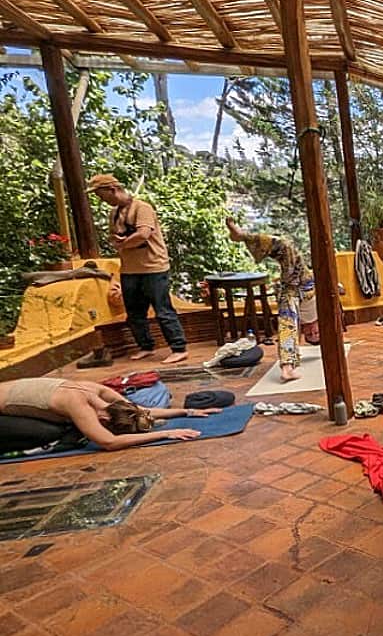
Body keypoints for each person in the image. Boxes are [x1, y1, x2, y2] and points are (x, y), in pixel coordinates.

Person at [89, 174, 188, 364]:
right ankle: (146, 346)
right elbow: (114, 237)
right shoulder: (114, 213)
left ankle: (178, 348)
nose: (102, 200)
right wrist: (119, 242)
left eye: (102, 195)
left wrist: (124, 243)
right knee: (134, 312)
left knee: (163, 310)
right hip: (129, 269)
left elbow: (143, 234)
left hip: (153, 267)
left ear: (113, 189)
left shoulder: (142, 208)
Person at [0, 378, 219, 452]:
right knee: (51, 433)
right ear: (104, 420)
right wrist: (166, 434)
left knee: (68, 428)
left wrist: (186, 411)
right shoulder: (78, 403)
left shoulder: (99, 392)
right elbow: (109, 442)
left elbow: (135, 409)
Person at [226, 219, 315, 383]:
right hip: (303, 282)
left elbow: (290, 329)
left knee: (287, 324)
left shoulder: (301, 320)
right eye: (315, 332)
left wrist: (296, 349)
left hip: (290, 288)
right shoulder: (323, 311)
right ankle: (242, 236)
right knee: (286, 247)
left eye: (310, 335)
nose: (312, 331)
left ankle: (287, 368)